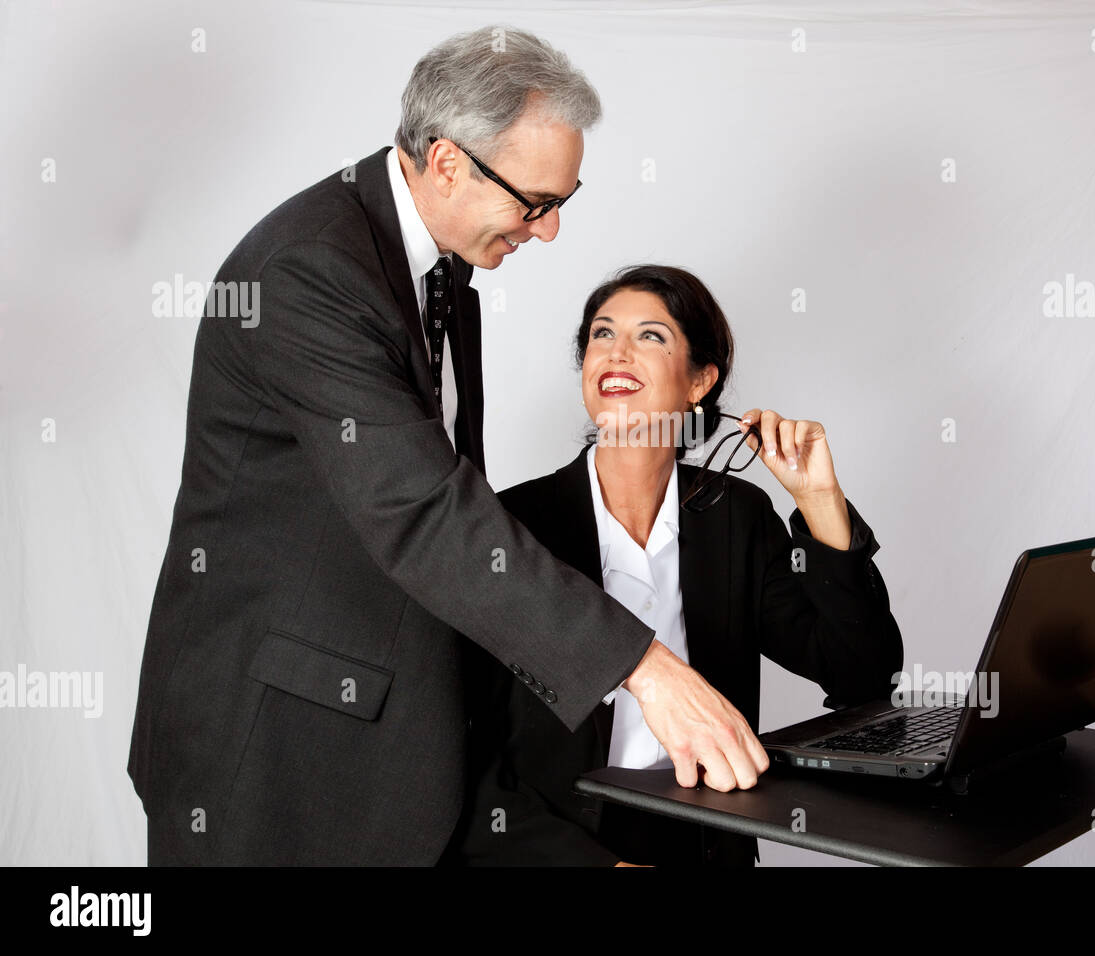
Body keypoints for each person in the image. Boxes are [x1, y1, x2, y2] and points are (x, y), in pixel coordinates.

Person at [126, 26, 767, 866]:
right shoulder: (306, 273)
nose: (548, 233)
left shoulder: (443, 272)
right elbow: (424, 507)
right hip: (276, 746)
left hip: (390, 739)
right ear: (447, 162)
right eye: (535, 203)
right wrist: (641, 665)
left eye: (563, 203)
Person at [451, 265, 904, 866]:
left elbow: (861, 676)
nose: (616, 353)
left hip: (703, 839)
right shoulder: (509, 524)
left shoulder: (734, 513)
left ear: (700, 382)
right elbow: (460, 754)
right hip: (556, 845)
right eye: (601, 335)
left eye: (650, 337)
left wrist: (818, 500)